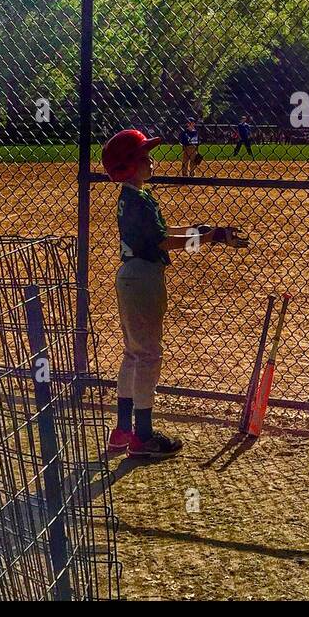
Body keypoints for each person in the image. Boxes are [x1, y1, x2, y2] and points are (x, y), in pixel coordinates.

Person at [102, 129, 248, 458]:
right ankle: (142, 436)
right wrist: (208, 239)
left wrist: (210, 232)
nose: (150, 160)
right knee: (149, 356)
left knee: (133, 355)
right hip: (143, 279)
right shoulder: (138, 201)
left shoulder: (133, 198)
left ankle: (123, 431)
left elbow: (165, 232)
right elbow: (164, 242)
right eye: (143, 157)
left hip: (130, 275)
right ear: (127, 167)